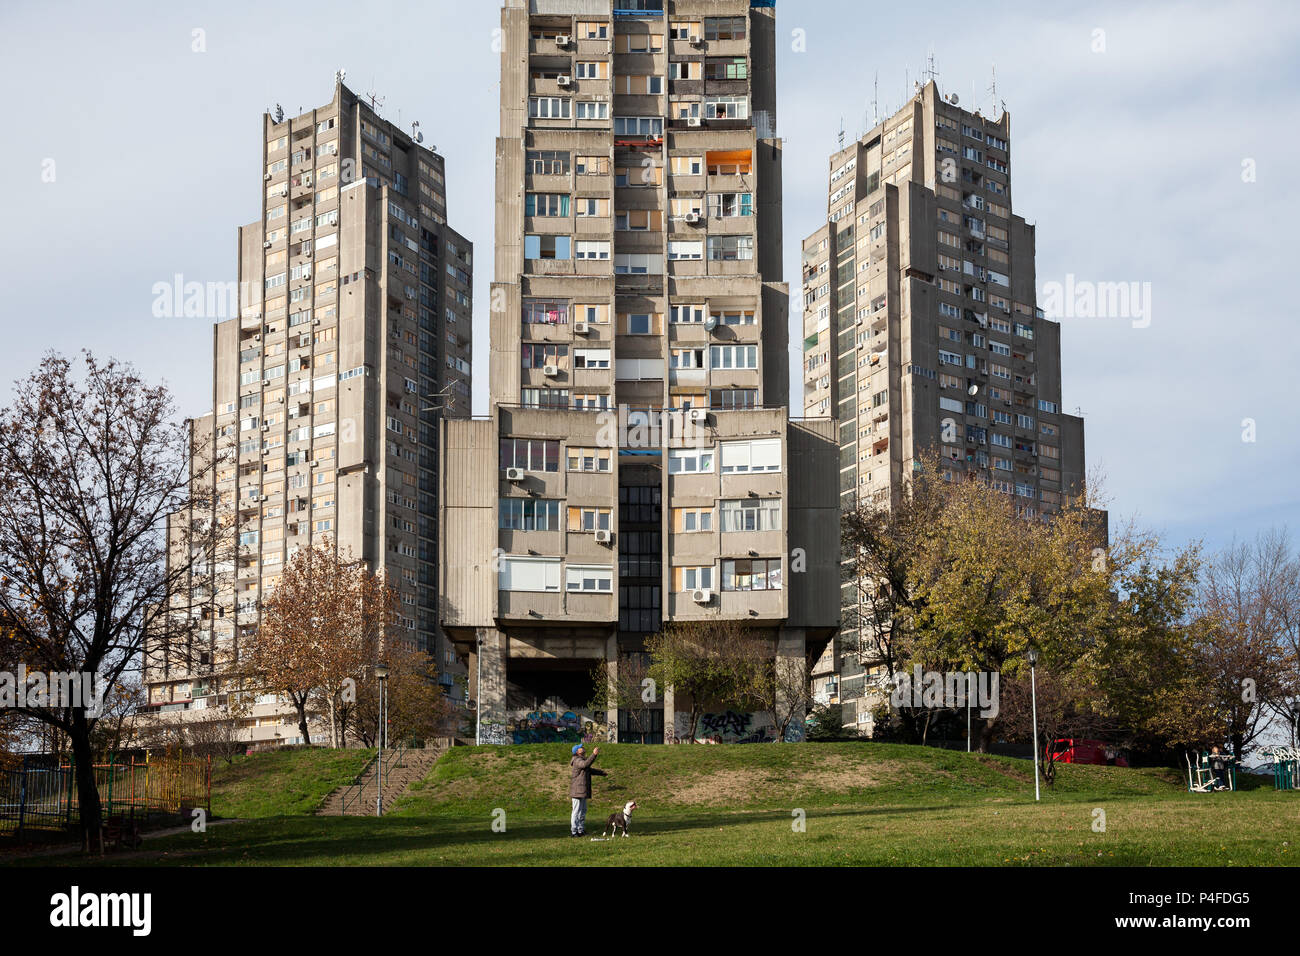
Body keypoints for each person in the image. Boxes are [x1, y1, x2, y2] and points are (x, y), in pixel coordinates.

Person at [568, 743, 606, 837]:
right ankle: (574, 831)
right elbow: (585, 765)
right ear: (577, 751)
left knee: (583, 811)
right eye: (580, 747)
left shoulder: (581, 760)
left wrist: (601, 773)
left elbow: (589, 769)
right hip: (577, 790)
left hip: (582, 790)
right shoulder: (577, 760)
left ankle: (581, 830)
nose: (583, 748)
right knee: (576, 811)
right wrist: (594, 754)